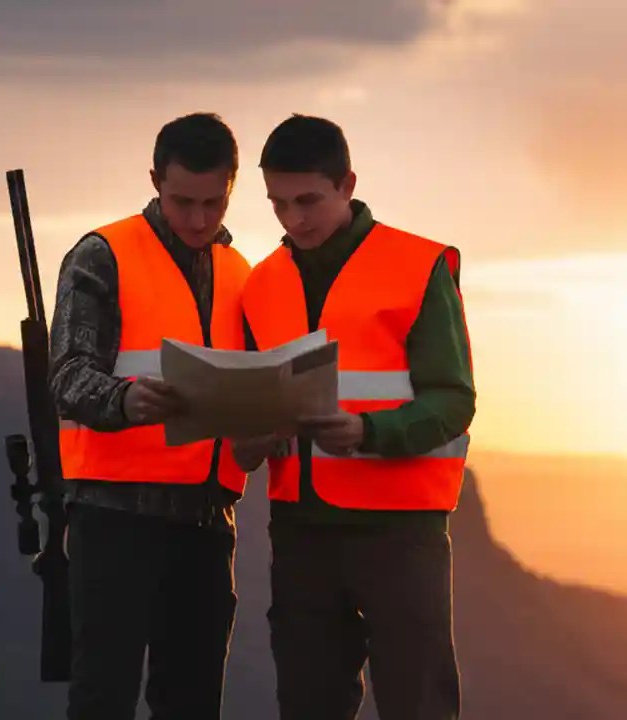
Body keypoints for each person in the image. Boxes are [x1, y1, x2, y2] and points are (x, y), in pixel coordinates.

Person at [235, 114, 476, 720]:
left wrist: (369, 433)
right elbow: (247, 403)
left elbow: (453, 400)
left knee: (416, 704)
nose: (294, 220)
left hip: (400, 532)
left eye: (308, 200)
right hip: (300, 532)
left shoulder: (418, 267)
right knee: (308, 705)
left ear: (347, 184)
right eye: (278, 204)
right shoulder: (260, 286)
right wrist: (253, 436)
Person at [48, 112, 252, 720]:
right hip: (114, 522)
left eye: (213, 203)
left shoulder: (242, 274)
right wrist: (125, 400)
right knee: (103, 700)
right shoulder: (101, 256)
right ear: (154, 181)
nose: (197, 219)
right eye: (182, 200)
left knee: (192, 705)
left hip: (206, 524)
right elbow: (65, 376)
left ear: (232, 187)